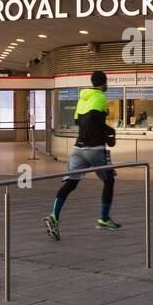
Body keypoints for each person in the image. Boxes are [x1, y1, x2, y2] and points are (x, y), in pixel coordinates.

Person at [45, 70, 121, 239]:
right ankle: (104, 218)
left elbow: (78, 121)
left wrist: (106, 130)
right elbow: (97, 122)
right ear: (104, 83)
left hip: (78, 148)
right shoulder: (101, 97)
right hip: (95, 149)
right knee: (109, 180)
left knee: (70, 183)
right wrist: (110, 135)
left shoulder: (82, 98)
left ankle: (54, 216)